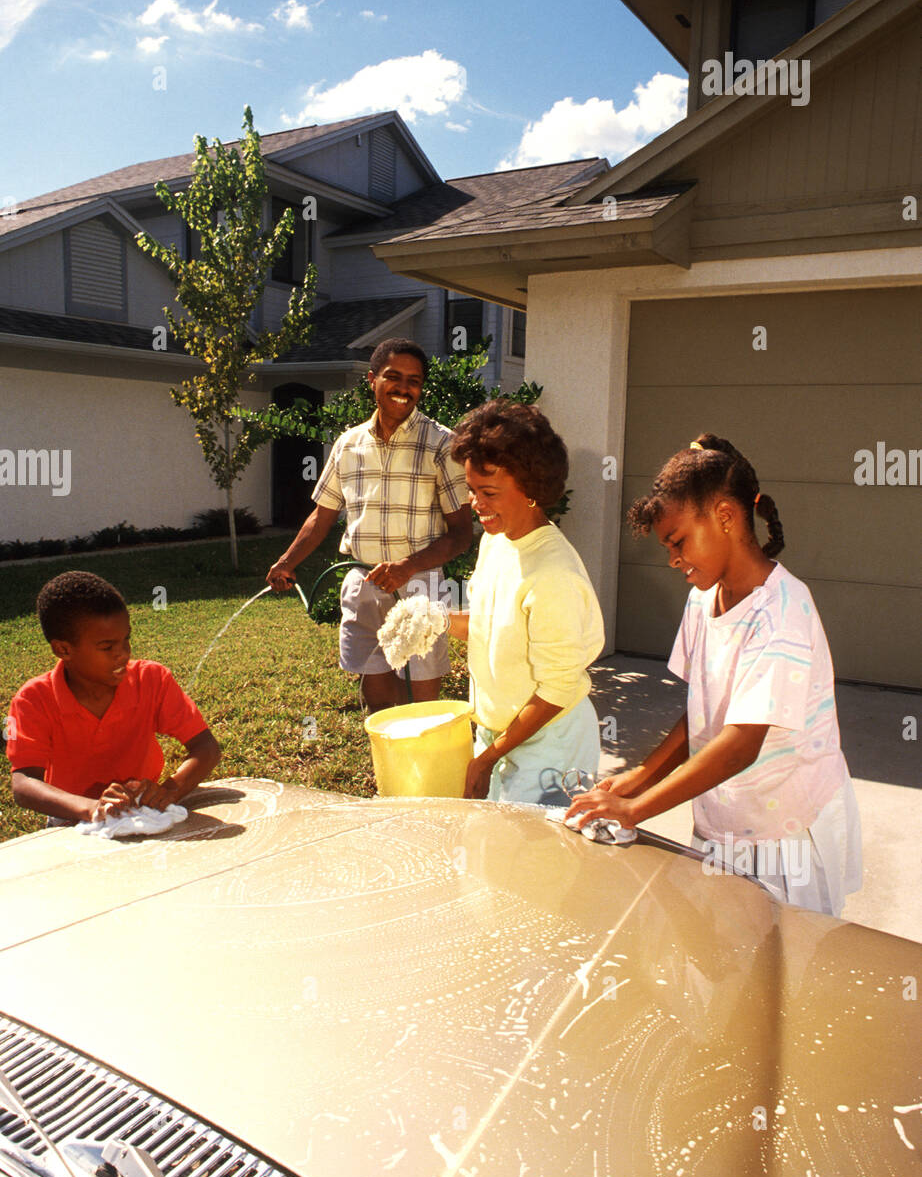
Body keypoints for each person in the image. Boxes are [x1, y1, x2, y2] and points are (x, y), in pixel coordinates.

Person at [565, 434, 862, 918]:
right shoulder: (704, 599)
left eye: (678, 541)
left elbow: (742, 742)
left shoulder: (783, 611)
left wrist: (636, 811)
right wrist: (638, 779)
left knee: (787, 970)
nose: (672, 559)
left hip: (784, 832)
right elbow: (702, 714)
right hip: (724, 821)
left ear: (725, 516)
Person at [266, 338, 472, 712]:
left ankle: (422, 767)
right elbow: (322, 516)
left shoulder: (441, 444)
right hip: (362, 582)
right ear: (372, 380)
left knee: (420, 705)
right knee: (377, 699)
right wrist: (287, 561)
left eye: (414, 381)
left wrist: (406, 568)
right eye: (394, 377)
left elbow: (461, 533)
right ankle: (386, 767)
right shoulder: (349, 444)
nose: (404, 388)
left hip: (420, 588)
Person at [445, 401, 605, 803]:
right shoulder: (496, 542)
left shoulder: (554, 573)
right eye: (471, 490)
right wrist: (435, 621)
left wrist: (486, 760)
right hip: (501, 735)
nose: (475, 503)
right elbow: (492, 624)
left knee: (536, 861)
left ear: (531, 488)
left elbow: (557, 688)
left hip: (551, 742)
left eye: (489, 492)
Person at [6, 571, 221, 825]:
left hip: (144, 810)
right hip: (72, 817)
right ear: (63, 649)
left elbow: (206, 747)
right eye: (107, 647)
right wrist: (92, 809)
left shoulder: (151, 679)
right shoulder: (33, 700)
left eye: (126, 639)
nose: (123, 653)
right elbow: (23, 783)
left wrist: (168, 791)